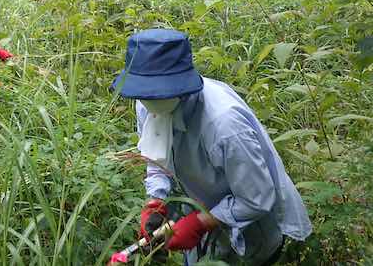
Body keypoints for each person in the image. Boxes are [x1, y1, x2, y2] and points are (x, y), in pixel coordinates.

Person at [110, 29, 312, 265]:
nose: (148, 100)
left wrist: (202, 222)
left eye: (158, 92)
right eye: (143, 92)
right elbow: (157, 158)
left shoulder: (224, 125)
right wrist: (155, 201)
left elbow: (257, 199)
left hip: (252, 238)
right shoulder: (146, 102)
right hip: (201, 219)